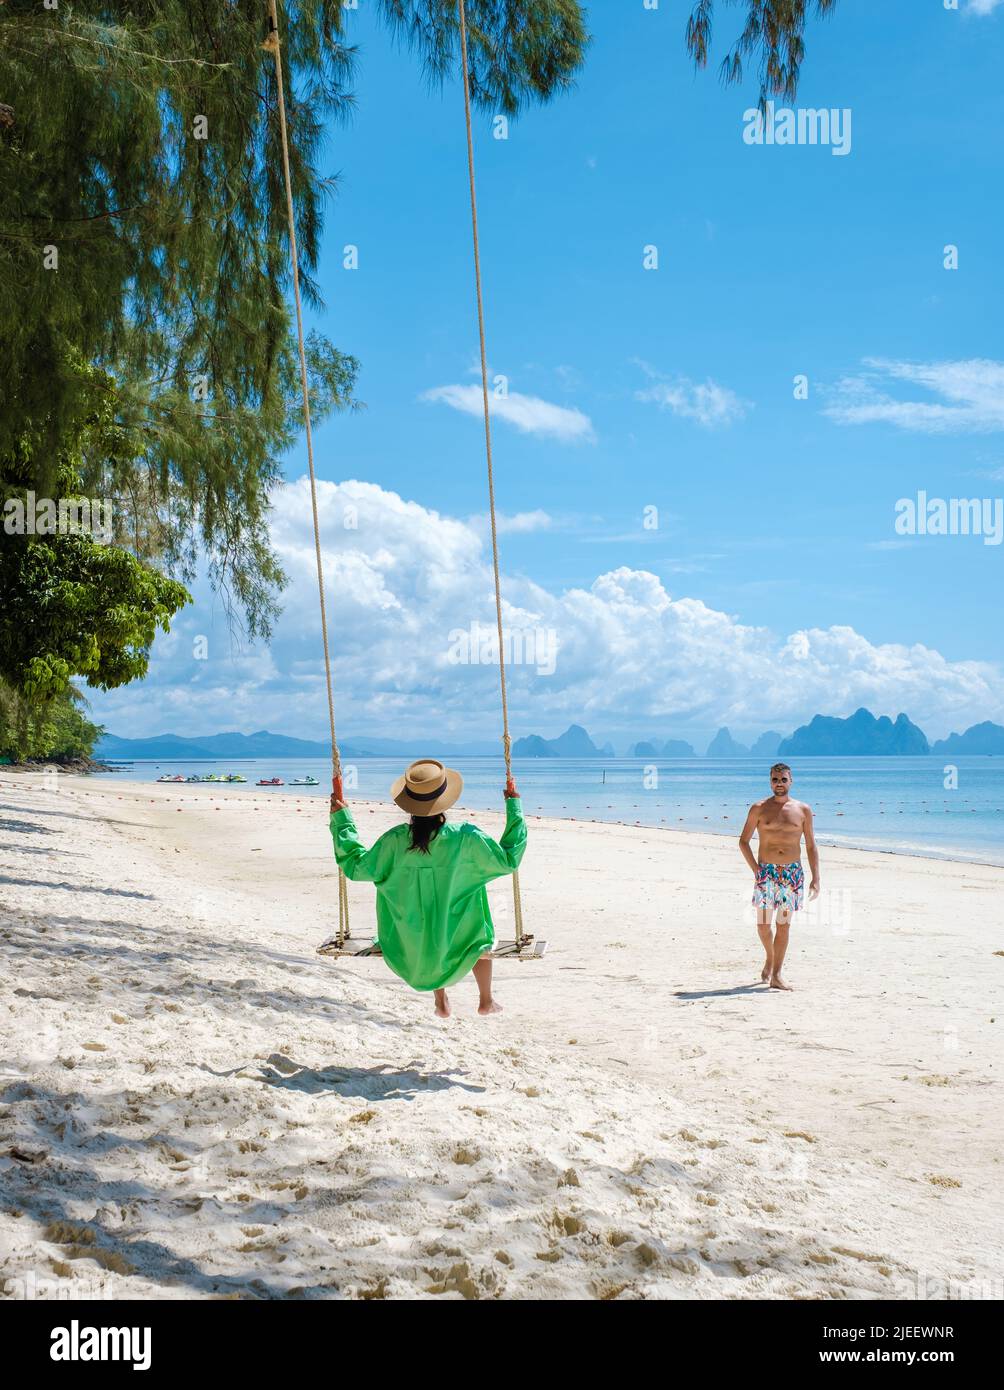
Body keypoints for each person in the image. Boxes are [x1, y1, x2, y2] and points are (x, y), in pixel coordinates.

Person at [329, 758, 526, 1017]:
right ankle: (486, 999)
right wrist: (514, 807)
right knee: (477, 935)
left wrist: (341, 820)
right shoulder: (466, 838)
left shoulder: (394, 841)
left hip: (410, 946)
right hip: (458, 940)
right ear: (445, 799)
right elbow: (509, 859)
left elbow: (355, 866)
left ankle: (440, 998)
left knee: (429, 925)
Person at [738, 762, 820, 991]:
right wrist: (756, 870)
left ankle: (776, 974)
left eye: (784, 779)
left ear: (791, 781)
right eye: (775, 780)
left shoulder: (803, 810)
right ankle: (770, 958)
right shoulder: (758, 808)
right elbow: (743, 841)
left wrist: (816, 878)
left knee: (783, 926)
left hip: (792, 874)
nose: (780, 784)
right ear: (770, 781)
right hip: (767, 873)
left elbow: (811, 845)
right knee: (763, 927)